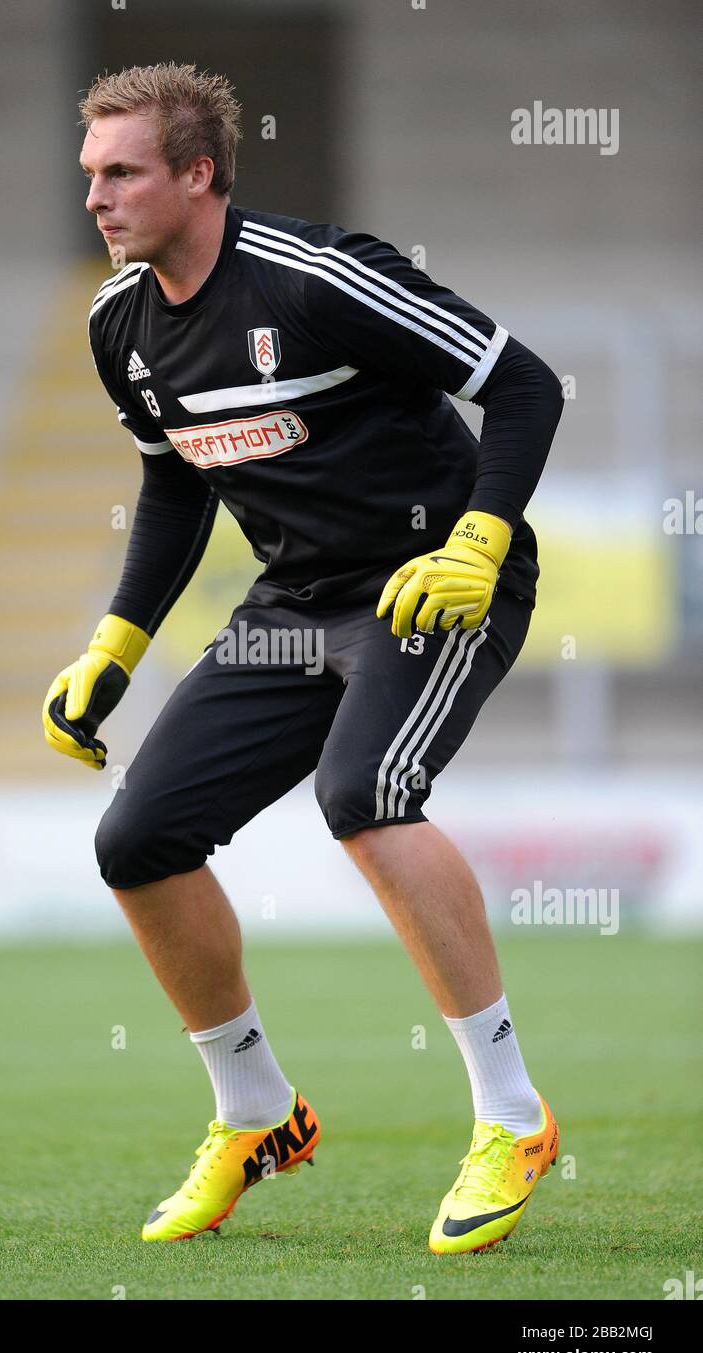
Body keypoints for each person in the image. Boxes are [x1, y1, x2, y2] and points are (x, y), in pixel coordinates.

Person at [43, 61, 563, 1251]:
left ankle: (511, 1114)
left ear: (198, 173)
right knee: (136, 840)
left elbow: (523, 385)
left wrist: (479, 542)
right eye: (89, 175)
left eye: (121, 173)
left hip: (433, 578)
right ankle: (256, 1113)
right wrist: (111, 648)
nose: (96, 199)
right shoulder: (116, 324)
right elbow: (174, 483)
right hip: (291, 600)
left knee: (365, 797)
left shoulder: (320, 277)